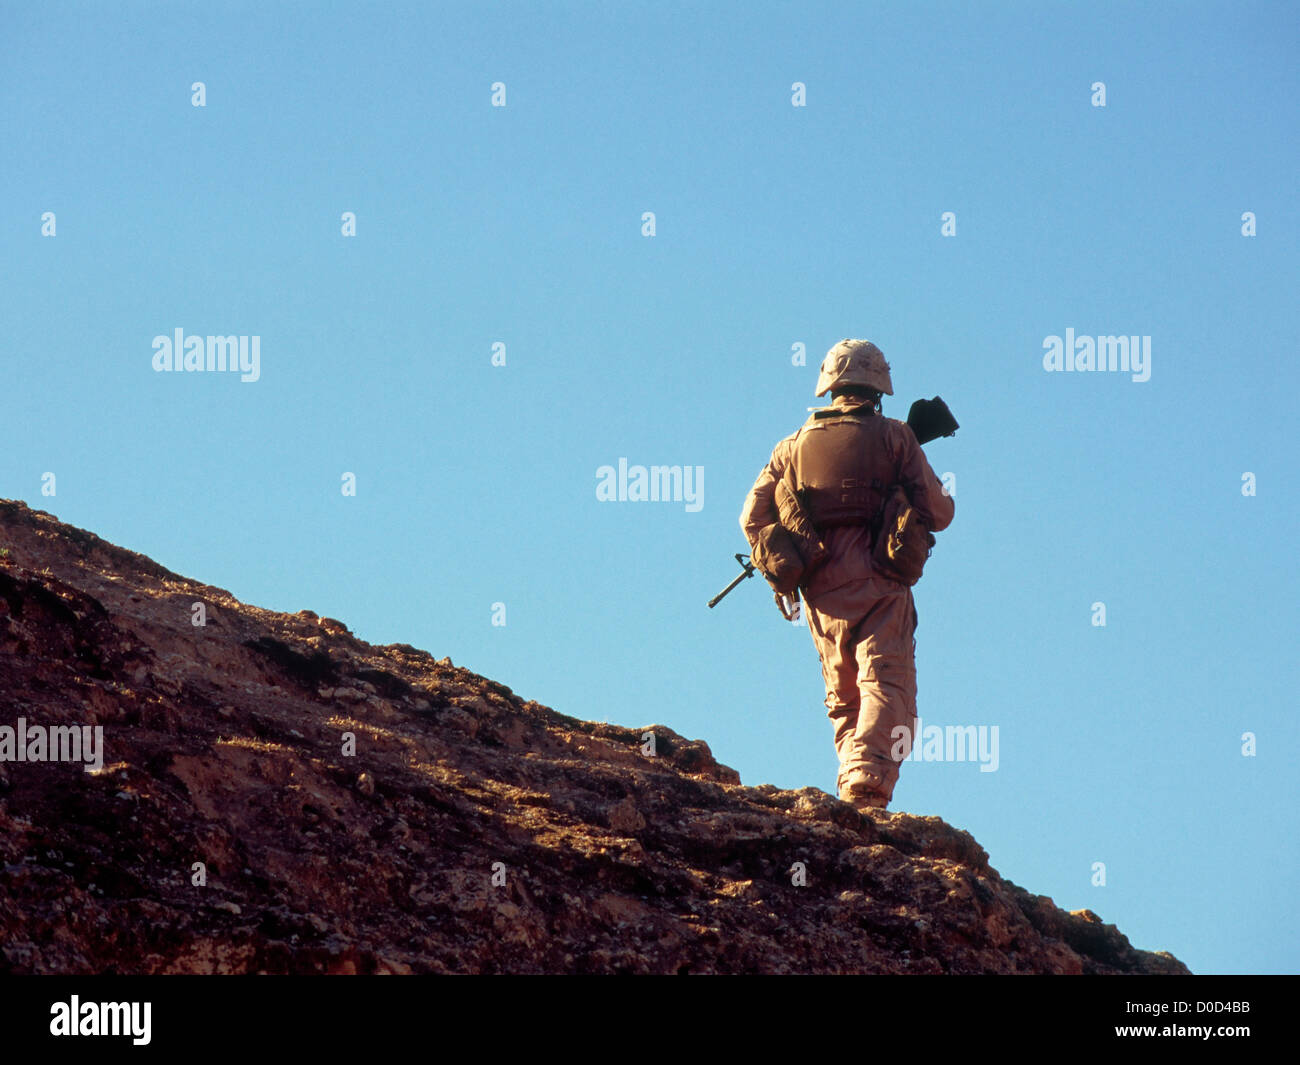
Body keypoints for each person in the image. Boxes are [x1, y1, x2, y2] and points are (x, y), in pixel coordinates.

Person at [740, 339, 954, 812]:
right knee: (886, 683)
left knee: (844, 694)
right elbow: (938, 511)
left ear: (829, 385)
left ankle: (851, 784)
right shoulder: (896, 437)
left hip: (819, 589)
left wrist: (782, 577)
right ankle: (866, 787)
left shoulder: (789, 447)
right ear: (880, 385)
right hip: (880, 578)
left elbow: (753, 519)